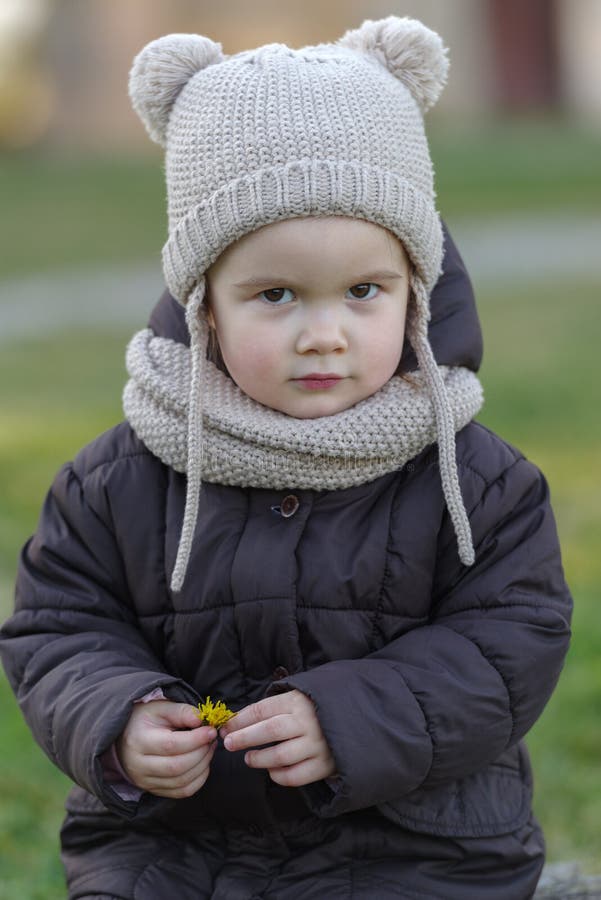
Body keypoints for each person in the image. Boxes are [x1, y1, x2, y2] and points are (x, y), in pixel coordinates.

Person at [0, 16, 572, 900]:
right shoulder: (116, 479)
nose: (324, 334)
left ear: (416, 293)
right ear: (204, 306)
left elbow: (509, 641)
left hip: (413, 850)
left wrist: (352, 717)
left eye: (363, 291)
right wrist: (118, 717)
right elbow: (59, 626)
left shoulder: (479, 482)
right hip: (181, 848)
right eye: (275, 295)